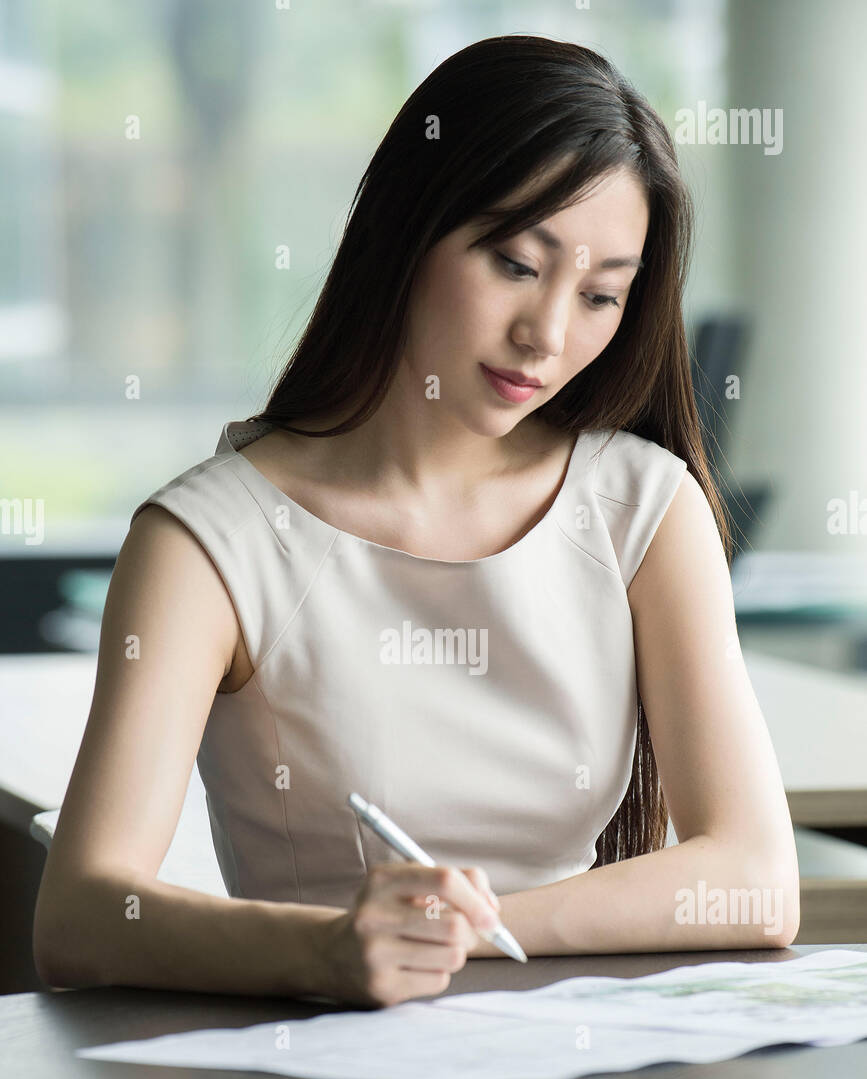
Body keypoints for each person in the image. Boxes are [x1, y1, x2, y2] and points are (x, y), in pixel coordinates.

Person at [34, 36, 799, 1008]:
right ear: (409, 230)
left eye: (602, 293)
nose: (549, 333)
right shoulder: (207, 542)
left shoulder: (641, 509)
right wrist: (325, 952)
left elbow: (755, 880)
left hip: (587, 1077)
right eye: (516, 264)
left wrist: (463, 933)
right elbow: (83, 915)